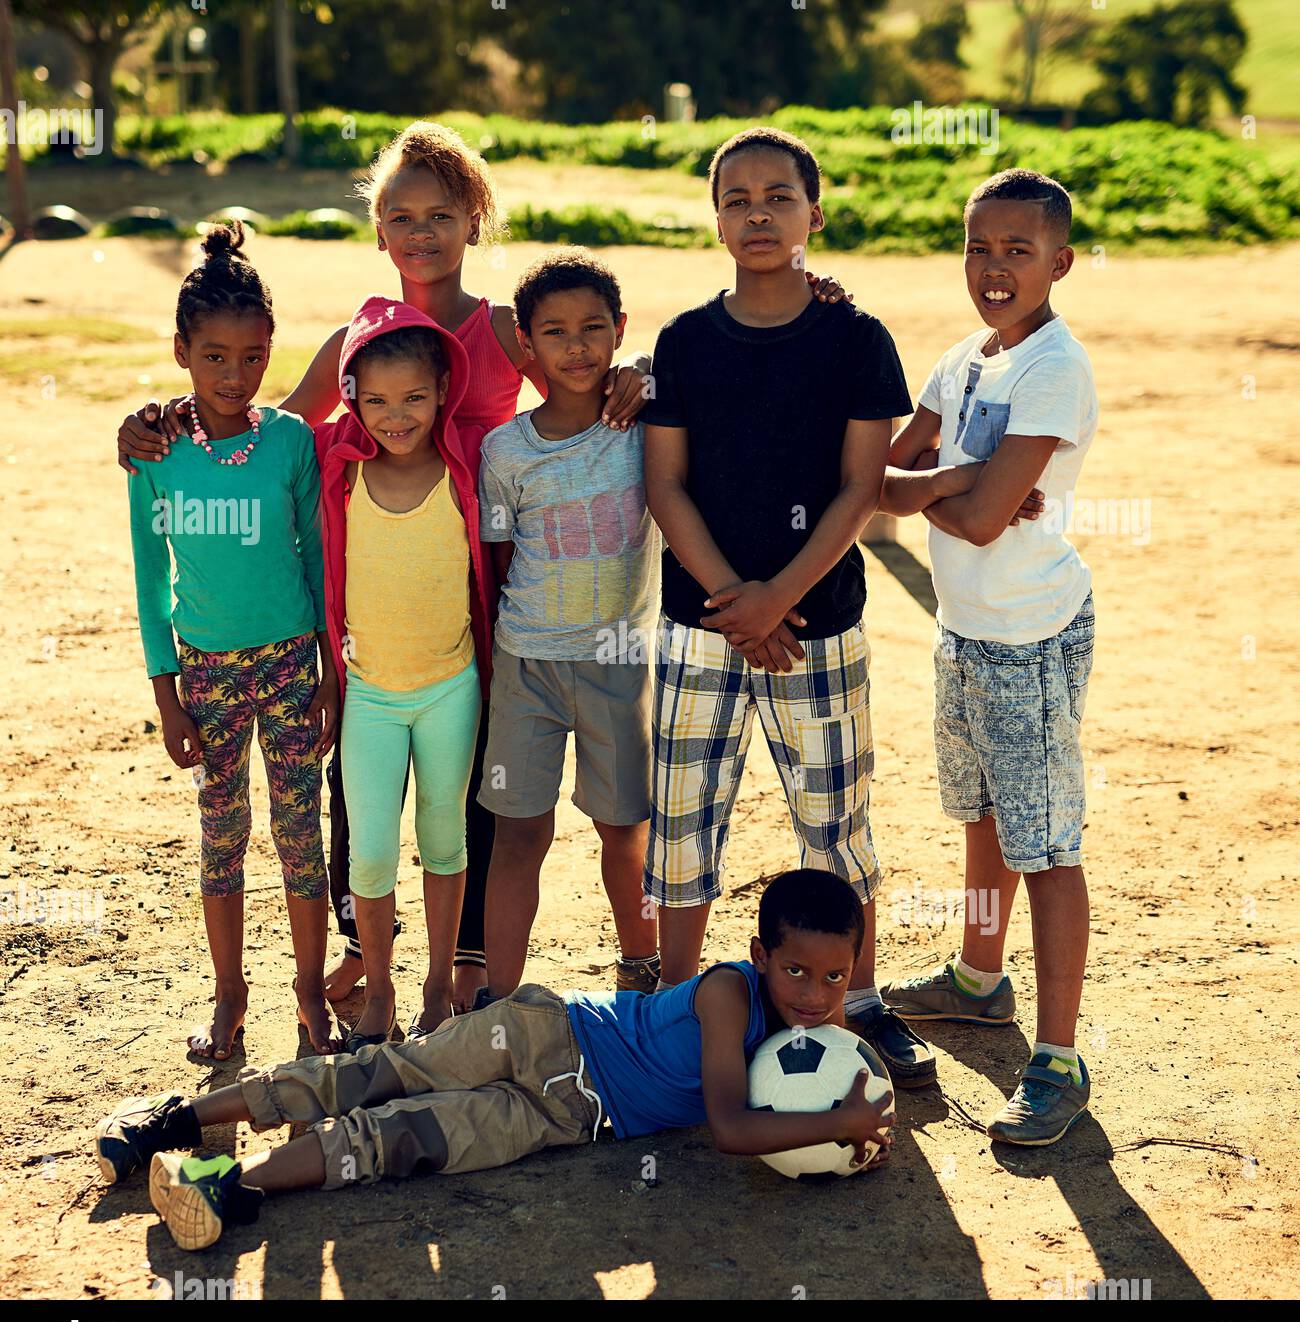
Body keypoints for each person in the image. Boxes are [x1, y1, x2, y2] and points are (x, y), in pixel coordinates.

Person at [113, 123, 654, 1015]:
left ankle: (467, 961)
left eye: (442, 214)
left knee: (473, 782)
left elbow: (580, 363)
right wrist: (167, 420)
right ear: (377, 229)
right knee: (359, 786)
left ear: (474, 219)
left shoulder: (508, 329)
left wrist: (638, 368)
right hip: (383, 590)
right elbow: (268, 435)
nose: (421, 232)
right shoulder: (355, 340)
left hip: (499, 582)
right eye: (400, 215)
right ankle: (372, 954)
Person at [94, 869, 894, 1252]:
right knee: (376, 1074)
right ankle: (173, 1121)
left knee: (401, 1142)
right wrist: (844, 1120)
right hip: (549, 1034)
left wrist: (844, 1123)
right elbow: (728, 1126)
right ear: (760, 956)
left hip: (566, 1119)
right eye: (795, 971)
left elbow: (765, 1117)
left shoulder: (813, 1047)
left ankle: (228, 1188)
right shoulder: (728, 994)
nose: (814, 994)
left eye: (833, 977)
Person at [640, 126, 935, 1087]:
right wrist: (740, 605)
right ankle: (677, 1009)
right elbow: (665, 486)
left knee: (837, 825)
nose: (757, 213)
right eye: (736, 197)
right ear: (716, 216)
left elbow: (861, 487)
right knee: (683, 825)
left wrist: (780, 601)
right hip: (703, 630)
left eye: (778, 196)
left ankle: (858, 1006)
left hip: (819, 628)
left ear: (815, 211)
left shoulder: (855, 341)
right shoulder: (684, 341)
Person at [878, 168, 1100, 1145]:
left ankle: (1057, 1059)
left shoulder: (1053, 368)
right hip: (965, 630)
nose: (995, 267)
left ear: (1058, 262)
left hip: (1031, 633)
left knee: (1043, 841)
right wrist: (977, 479)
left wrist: (960, 484)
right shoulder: (961, 358)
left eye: (1018, 250)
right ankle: (977, 979)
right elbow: (889, 483)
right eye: (979, 247)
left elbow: (965, 519)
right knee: (978, 811)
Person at [125, 221, 337, 1060]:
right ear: (181, 351)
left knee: (299, 833)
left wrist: (330, 673)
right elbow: (149, 579)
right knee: (222, 833)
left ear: (270, 350)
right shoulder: (159, 452)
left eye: (251, 357)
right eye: (214, 356)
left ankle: (311, 994)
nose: (234, 374)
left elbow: (318, 560)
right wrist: (165, 693)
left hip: (291, 666)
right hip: (206, 675)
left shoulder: (291, 441)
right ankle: (230, 995)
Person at [477, 249, 662, 998]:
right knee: (519, 832)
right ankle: (500, 993)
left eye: (594, 328)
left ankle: (641, 968)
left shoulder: (647, 426)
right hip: (528, 664)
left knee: (625, 831)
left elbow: (685, 361)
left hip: (619, 662)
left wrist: (648, 369)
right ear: (527, 345)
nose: (577, 345)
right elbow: (494, 560)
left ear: (619, 331)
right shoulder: (504, 451)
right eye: (554, 332)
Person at [313, 296, 495, 1045]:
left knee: (445, 838)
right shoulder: (334, 465)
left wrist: (639, 373)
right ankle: (380, 990)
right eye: (378, 400)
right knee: (372, 849)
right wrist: (173, 420)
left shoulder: (470, 462)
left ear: (444, 391)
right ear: (352, 395)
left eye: (415, 398)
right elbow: (252, 437)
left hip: (451, 687)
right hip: (372, 696)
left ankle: (435, 987)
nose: (396, 416)